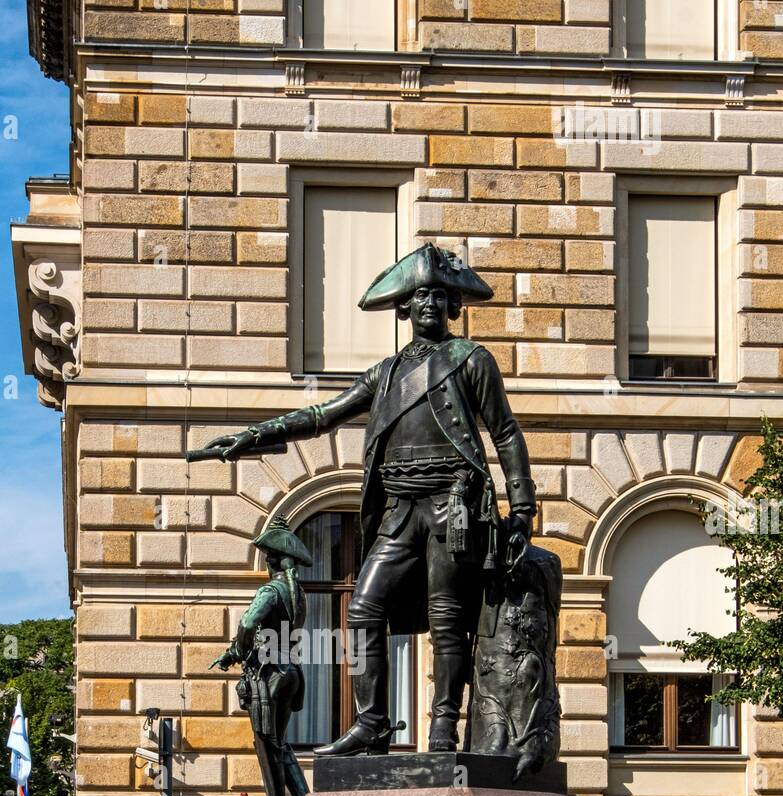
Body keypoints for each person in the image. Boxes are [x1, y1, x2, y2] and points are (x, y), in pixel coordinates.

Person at [194, 243, 536, 758]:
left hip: (452, 505)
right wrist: (253, 435)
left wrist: (523, 507)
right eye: (420, 296)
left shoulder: (471, 360)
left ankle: (444, 723)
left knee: (448, 619)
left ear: (452, 307)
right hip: (399, 511)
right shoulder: (385, 374)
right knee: (362, 610)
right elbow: (321, 416)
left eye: (439, 296)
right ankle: (372, 722)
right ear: (405, 307)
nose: (429, 305)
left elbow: (505, 432)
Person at [209, 517, 312, 796]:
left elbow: (248, 622)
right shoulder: (298, 593)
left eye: (268, 560)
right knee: (280, 742)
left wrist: (234, 652)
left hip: (270, 676)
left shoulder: (270, 591)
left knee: (266, 743)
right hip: (292, 672)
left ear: (273, 563)